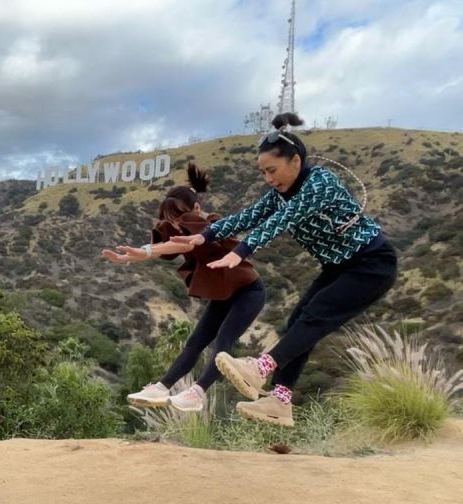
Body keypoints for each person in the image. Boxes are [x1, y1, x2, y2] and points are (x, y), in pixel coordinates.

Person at [171, 113, 397, 427]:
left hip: (372, 264)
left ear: (295, 161)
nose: (268, 178)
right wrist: (204, 235)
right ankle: (280, 401)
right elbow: (248, 216)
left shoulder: (320, 183)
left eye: (272, 170)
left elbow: (285, 219)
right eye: (263, 172)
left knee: (314, 315)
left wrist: (242, 250)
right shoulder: (279, 194)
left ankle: (260, 367)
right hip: (337, 266)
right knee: (297, 321)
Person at [102, 163, 265, 412]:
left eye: (180, 217)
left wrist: (145, 252)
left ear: (197, 208)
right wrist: (129, 257)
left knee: (222, 344)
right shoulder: (185, 230)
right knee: (195, 342)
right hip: (222, 295)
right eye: (172, 220)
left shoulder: (214, 224)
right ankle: (162, 387)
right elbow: (169, 244)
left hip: (248, 293)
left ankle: (197, 393)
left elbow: (183, 246)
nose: (177, 224)